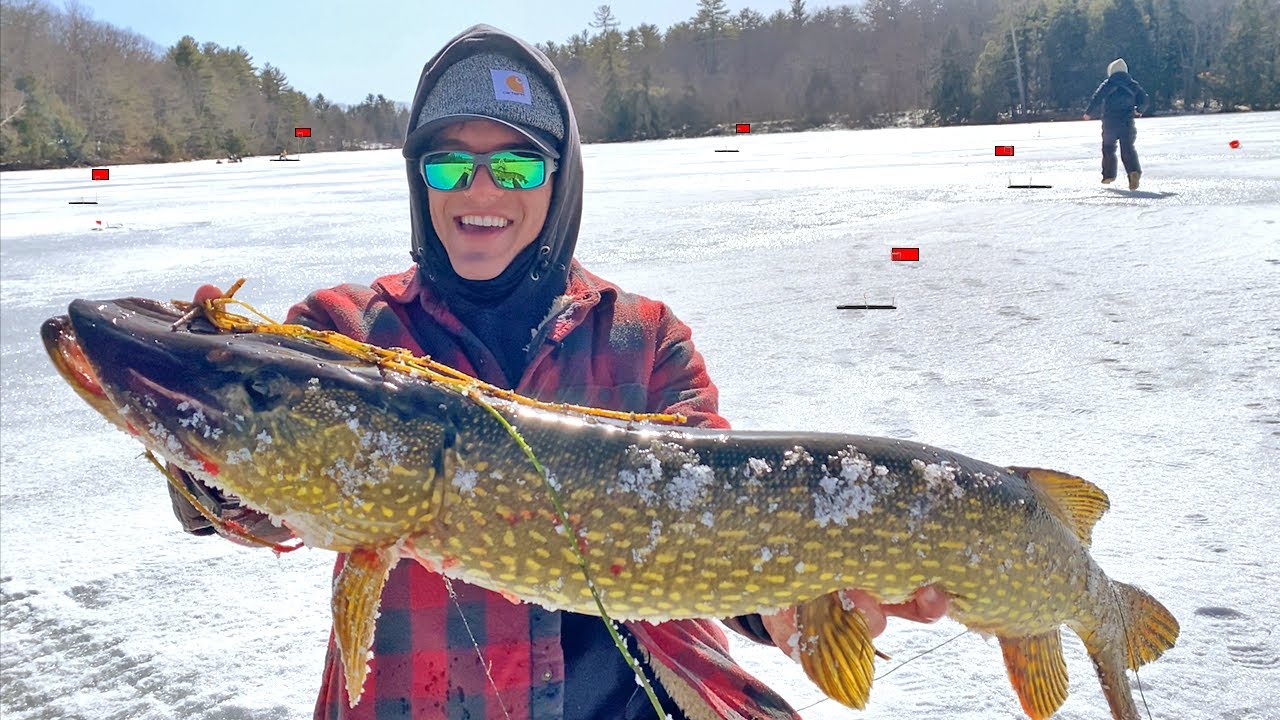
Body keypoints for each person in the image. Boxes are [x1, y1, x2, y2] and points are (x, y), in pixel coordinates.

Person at [168, 24, 948, 720]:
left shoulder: (644, 340)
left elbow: (717, 527)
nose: (479, 191)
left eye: (515, 167)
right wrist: (193, 439)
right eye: (448, 167)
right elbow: (258, 507)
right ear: (419, 183)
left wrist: (778, 612)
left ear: (559, 179)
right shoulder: (347, 332)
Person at [1083, 57, 1149, 190]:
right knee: (1128, 149)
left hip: (1110, 122)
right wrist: (1139, 110)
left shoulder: (1108, 84)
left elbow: (1097, 98)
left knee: (1108, 148)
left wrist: (1088, 112)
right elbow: (1145, 100)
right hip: (1127, 122)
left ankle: (1108, 175)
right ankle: (1133, 172)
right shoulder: (1133, 85)